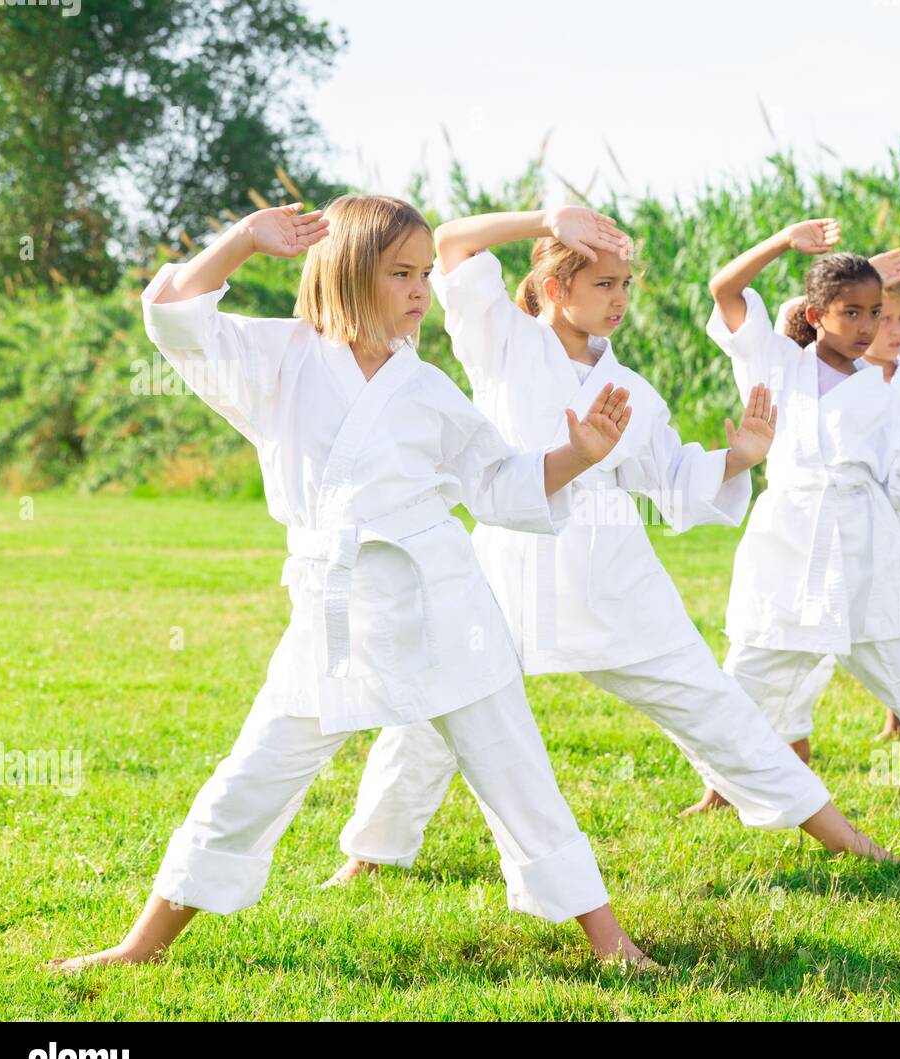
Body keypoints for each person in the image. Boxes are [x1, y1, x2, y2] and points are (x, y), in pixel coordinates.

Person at [49, 195, 659, 972]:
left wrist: (579, 455)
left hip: (443, 603)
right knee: (252, 775)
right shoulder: (279, 360)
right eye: (400, 273)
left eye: (426, 275)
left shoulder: (428, 387)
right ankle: (141, 946)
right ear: (345, 273)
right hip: (334, 607)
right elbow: (174, 316)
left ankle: (613, 943)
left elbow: (501, 482)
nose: (419, 291)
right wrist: (240, 240)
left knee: (517, 771)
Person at [326, 206, 898, 889]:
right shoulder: (502, 341)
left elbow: (673, 479)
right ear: (554, 288)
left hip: (611, 570)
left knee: (709, 700)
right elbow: (451, 243)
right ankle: (372, 851)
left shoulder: (634, 390)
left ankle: (837, 832)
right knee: (434, 708)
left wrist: (740, 454)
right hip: (508, 562)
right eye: (603, 285)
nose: (620, 300)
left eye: (626, 285)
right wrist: (546, 219)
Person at [699, 218, 900, 815]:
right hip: (790, 544)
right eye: (852, 313)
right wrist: (783, 241)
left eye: (876, 313)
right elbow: (724, 290)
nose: (868, 327)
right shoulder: (776, 365)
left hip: (866, 550)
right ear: (815, 317)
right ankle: (720, 787)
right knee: (753, 670)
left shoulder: (882, 397)